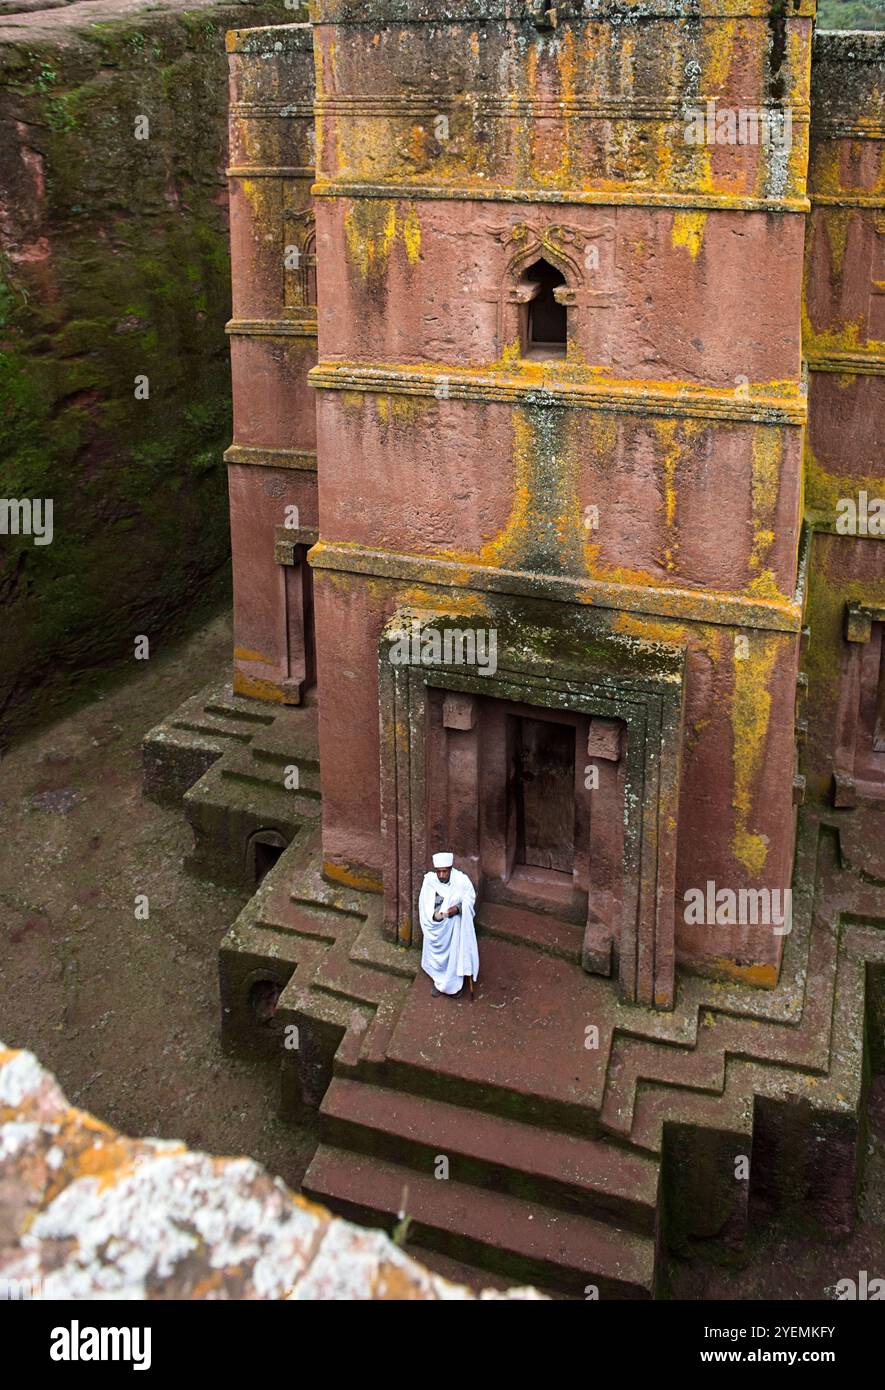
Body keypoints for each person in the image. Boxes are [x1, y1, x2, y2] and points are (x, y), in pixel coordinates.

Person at [417, 852, 479, 999]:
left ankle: (451, 987)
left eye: (444, 871)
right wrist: (433, 918)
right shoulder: (430, 881)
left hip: (452, 928)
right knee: (435, 959)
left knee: (453, 955)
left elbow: (469, 899)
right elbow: (424, 903)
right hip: (434, 927)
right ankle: (438, 980)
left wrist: (457, 909)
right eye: (438, 871)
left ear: (450, 869)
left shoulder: (461, 881)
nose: (441, 875)